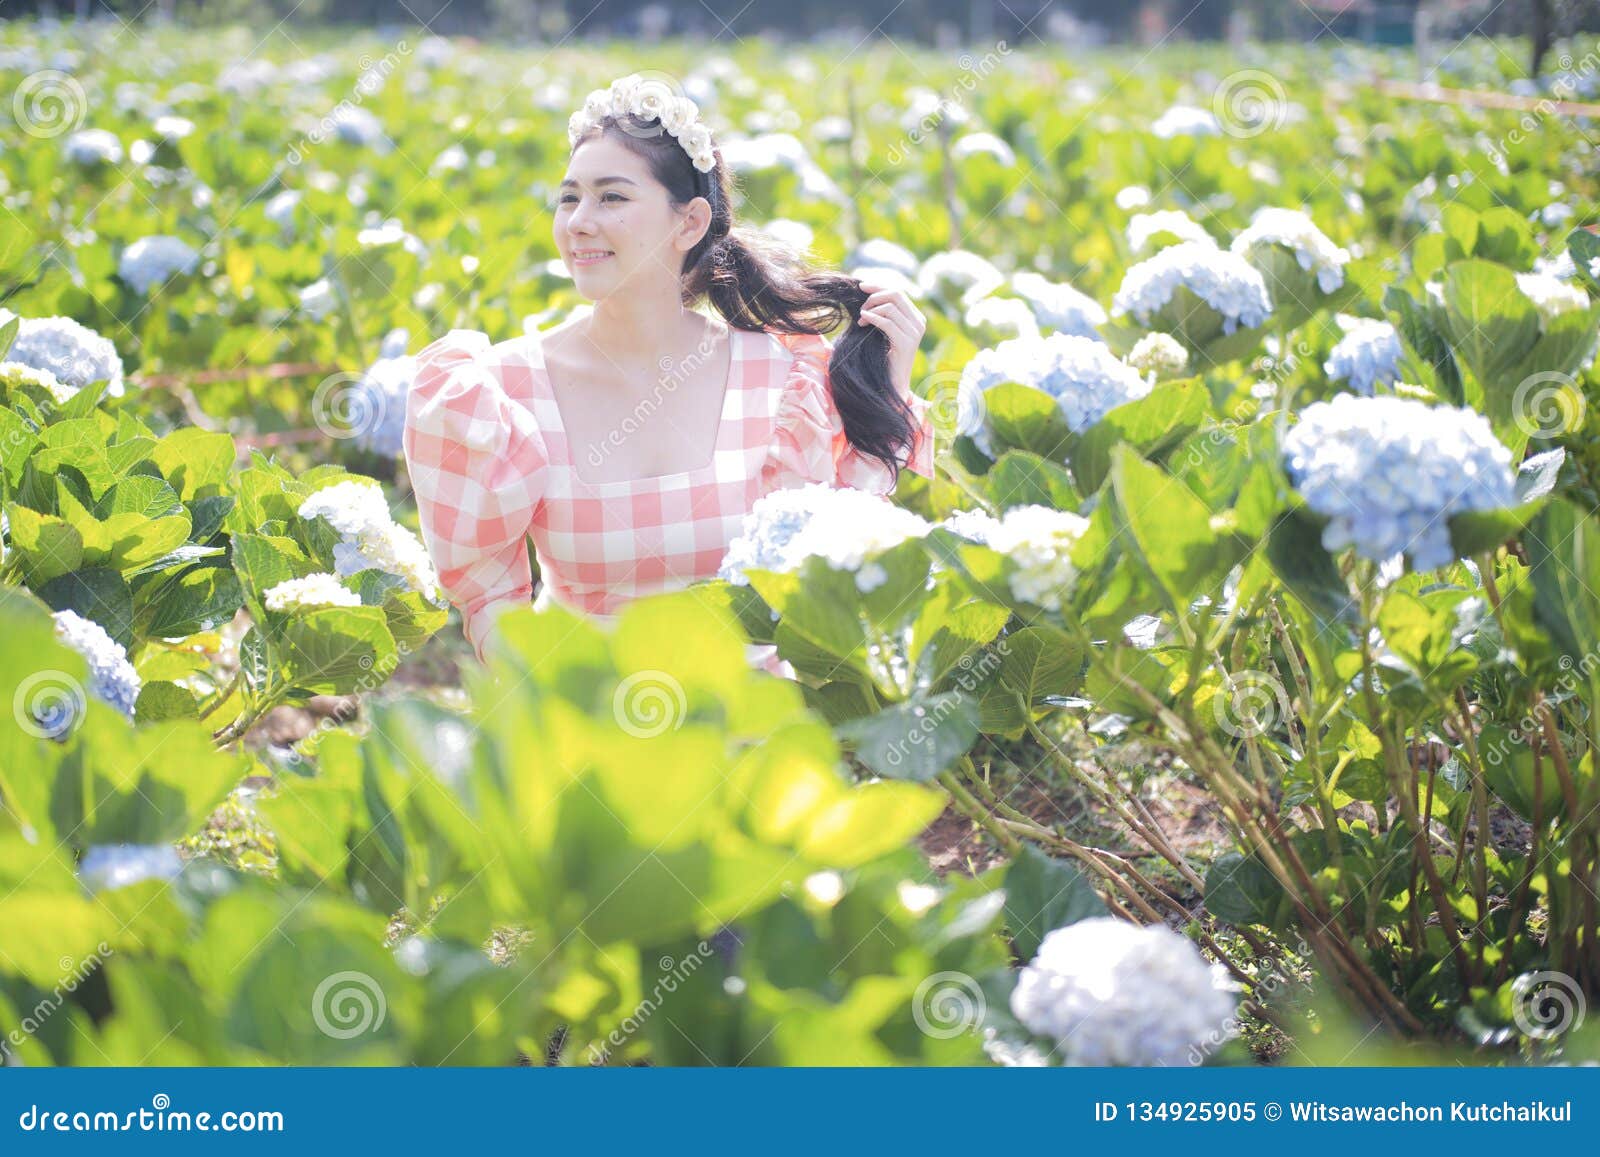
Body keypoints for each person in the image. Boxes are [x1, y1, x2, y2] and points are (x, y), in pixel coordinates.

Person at [403, 74, 937, 662]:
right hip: (585, 722)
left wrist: (889, 391)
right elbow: (492, 605)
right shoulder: (499, 390)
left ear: (689, 223)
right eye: (569, 196)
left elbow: (838, 558)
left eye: (612, 197)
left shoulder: (782, 377)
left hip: (755, 726)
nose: (579, 220)